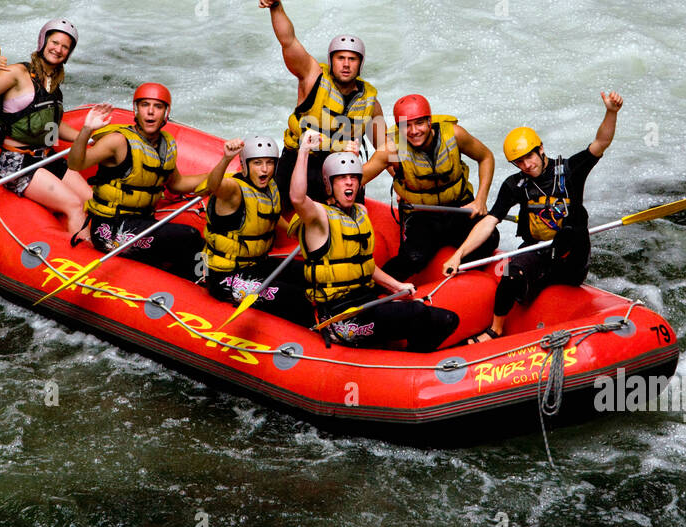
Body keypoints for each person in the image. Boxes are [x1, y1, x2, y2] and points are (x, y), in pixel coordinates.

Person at [443, 91, 624, 344]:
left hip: (570, 257)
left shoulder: (570, 170)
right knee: (510, 275)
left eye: (529, 156)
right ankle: (495, 330)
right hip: (539, 252)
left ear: (541, 149)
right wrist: (458, 254)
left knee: (574, 223)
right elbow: (489, 221)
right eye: (519, 162)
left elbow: (600, 143)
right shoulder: (515, 185)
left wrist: (611, 112)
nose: (526, 165)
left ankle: (559, 253)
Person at [291, 129, 459, 351]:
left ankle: (411, 358)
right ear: (329, 184)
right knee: (417, 314)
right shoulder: (318, 218)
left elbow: (365, 265)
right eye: (341, 178)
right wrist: (303, 151)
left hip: (366, 301)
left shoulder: (360, 213)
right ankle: (408, 363)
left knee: (448, 319)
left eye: (353, 177)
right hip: (339, 318)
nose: (349, 183)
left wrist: (396, 286)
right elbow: (297, 197)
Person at [67, 84, 230, 280]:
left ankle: (189, 282)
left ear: (166, 113)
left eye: (158, 106)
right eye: (145, 105)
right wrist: (86, 130)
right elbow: (76, 163)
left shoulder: (166, 145)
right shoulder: (118, 141)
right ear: (136, 110)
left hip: (143, 222)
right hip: (110, 229)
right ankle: (201, 281)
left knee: (194, 241)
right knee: (189, 235)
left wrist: (220, 174)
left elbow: (176, 184)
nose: (151, 111)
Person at [260, 0, 386, 211]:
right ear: (331, 60)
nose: (346, 64)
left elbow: (388, 151)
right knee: (274, 210)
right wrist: (276, 7)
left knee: (392, 150)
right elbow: (287, 40)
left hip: (342, 171)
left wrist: (363, 176)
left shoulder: (370, 102)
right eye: (341, 58)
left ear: (360, 64)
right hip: (302, 161)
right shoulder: (312, 76)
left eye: (352, 59)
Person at [361, 93, 500, 281]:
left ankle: (459, 272)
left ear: (429, 121)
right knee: (413, 258)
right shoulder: (392, 149)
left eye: (419, 123)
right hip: (421, 214)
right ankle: (373, 288)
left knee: (490, 238)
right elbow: (358, 177)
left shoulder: (454, 135)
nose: (413, 131)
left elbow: (486, 157)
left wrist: (481, 199)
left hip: (459, 207)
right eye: (406, 126)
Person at [0, 20, 91, 235]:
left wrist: (89, 136)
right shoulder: (18, 72)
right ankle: (80, 258)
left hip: (47, 156)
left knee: (91, 200)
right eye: (54, 42)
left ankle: (82, 238)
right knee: (73, 204)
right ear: (43, 42)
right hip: (18, 161)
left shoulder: (53, 82)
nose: (58, 49)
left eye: (65, 46)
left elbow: (53, 127)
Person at [201, 136, 311, 324]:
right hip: (225, 276)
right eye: (257, 163)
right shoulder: (233, 191)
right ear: (245, 166)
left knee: (310, 274)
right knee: (294, 297)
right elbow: (214, 186)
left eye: (269, 163)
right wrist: (226, 158)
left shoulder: (270, 188)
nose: (265, 169)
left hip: (257, 265)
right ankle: (309, 332)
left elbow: (270, 217)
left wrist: (298, 235)